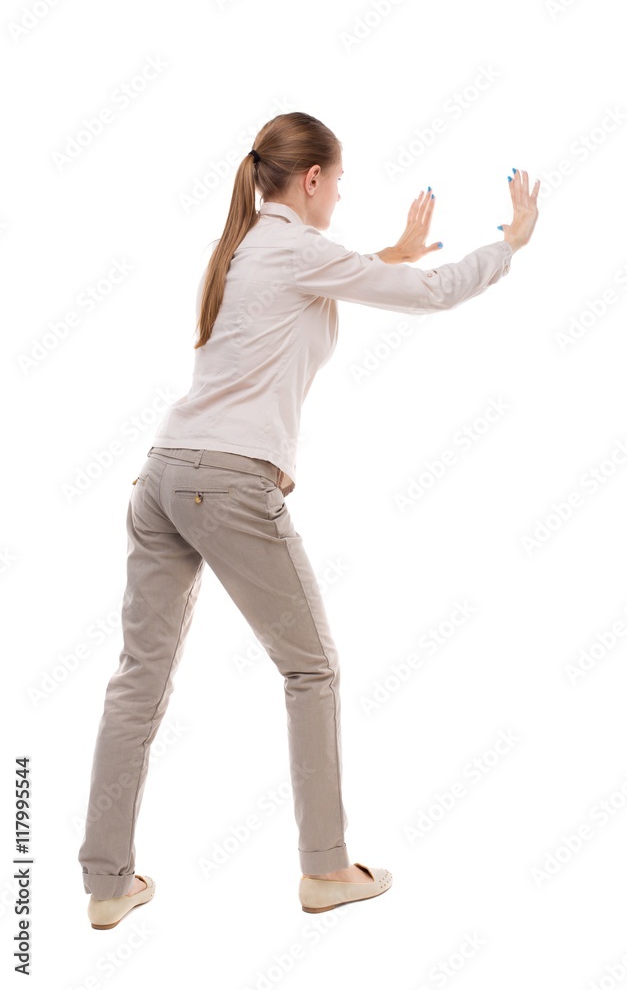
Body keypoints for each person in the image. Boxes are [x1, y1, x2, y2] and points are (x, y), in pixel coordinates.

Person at [78, 111, 540, 929]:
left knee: (136, 680)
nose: (341, 194)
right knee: (311, 668)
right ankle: (325, 870)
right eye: (340, 180)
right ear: (314, 179)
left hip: (163, 474)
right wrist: (511, 243)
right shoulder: (293, 247)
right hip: (223, 483)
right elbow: (429, 294)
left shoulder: (246, 245)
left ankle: (107, 884)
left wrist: (389, 255)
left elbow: (339, 279)